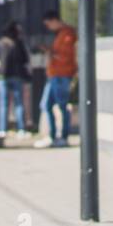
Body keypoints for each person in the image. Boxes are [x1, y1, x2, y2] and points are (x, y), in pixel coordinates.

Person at [34, 9, 77, 148]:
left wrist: (50, 52)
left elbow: (66, 55)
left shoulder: (67, 34)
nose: (48, 27)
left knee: (62, 105)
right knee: (46, 105)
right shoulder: (60, 35)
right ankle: (52, 136)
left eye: (48, 24)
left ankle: (63, 136)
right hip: (54, 74)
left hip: (62, 74)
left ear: (54, 20)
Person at [0, 21, 32, 139]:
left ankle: (2, 130)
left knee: (3, 104)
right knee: (19, 103)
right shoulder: (18, 43)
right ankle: (21, 129)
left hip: (2, 76)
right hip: (16, 76)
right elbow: (25, 59)